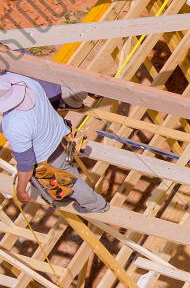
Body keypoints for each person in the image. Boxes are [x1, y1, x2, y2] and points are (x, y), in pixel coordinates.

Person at [0, 72, 109, 213]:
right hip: (62, 133)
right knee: (63, 177)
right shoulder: (28, 83)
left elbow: (26, 165)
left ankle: (97, 205)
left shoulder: (14, 126)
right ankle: (65, 195)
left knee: (71, 181)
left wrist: (21, 190)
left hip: (49, 156)